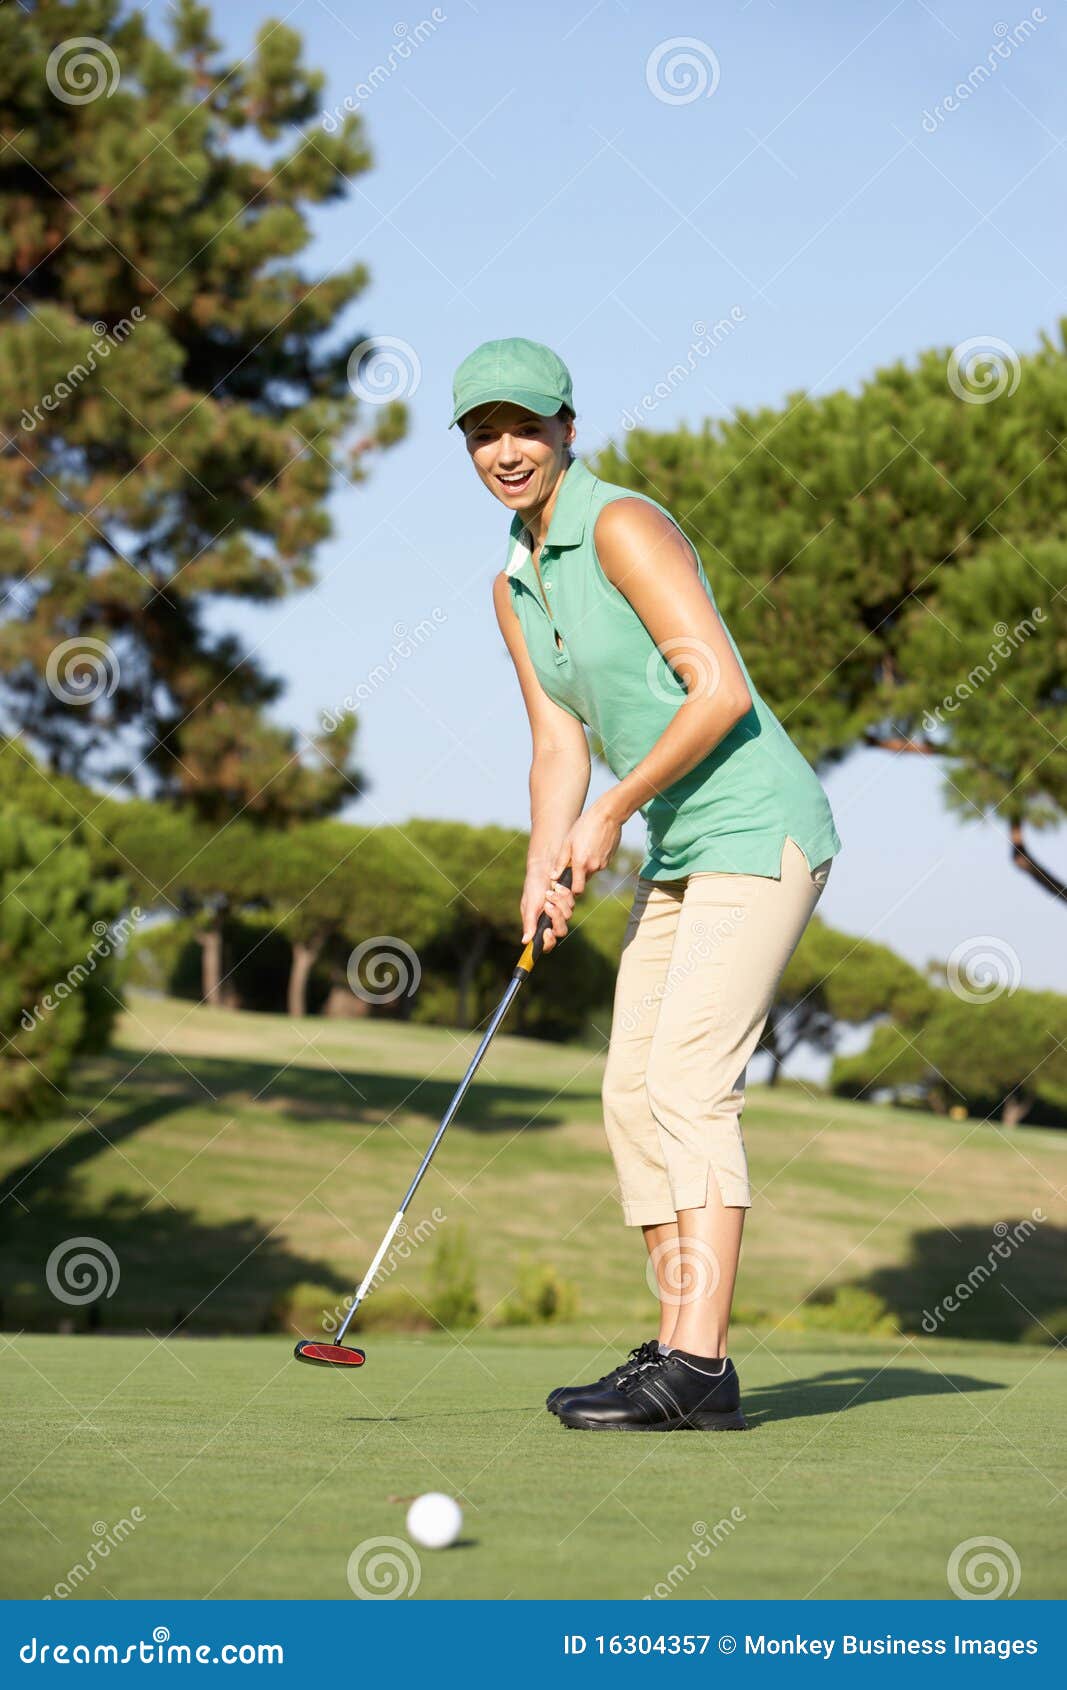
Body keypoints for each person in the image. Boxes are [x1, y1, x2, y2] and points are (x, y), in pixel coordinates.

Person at [449, 337, 841, 1432]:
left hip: (756, 826)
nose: (507, 450)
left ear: (568, 427)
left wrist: (609, 817)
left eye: (525, 426)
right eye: (484, 434)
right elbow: (556, 744)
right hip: (677, 842)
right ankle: (676, 1347)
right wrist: (545, 861)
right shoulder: (513, 582)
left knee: (685, 1085)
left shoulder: (621, 522)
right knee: (629, 1092)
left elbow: (713, 689)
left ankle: (698, 1363)